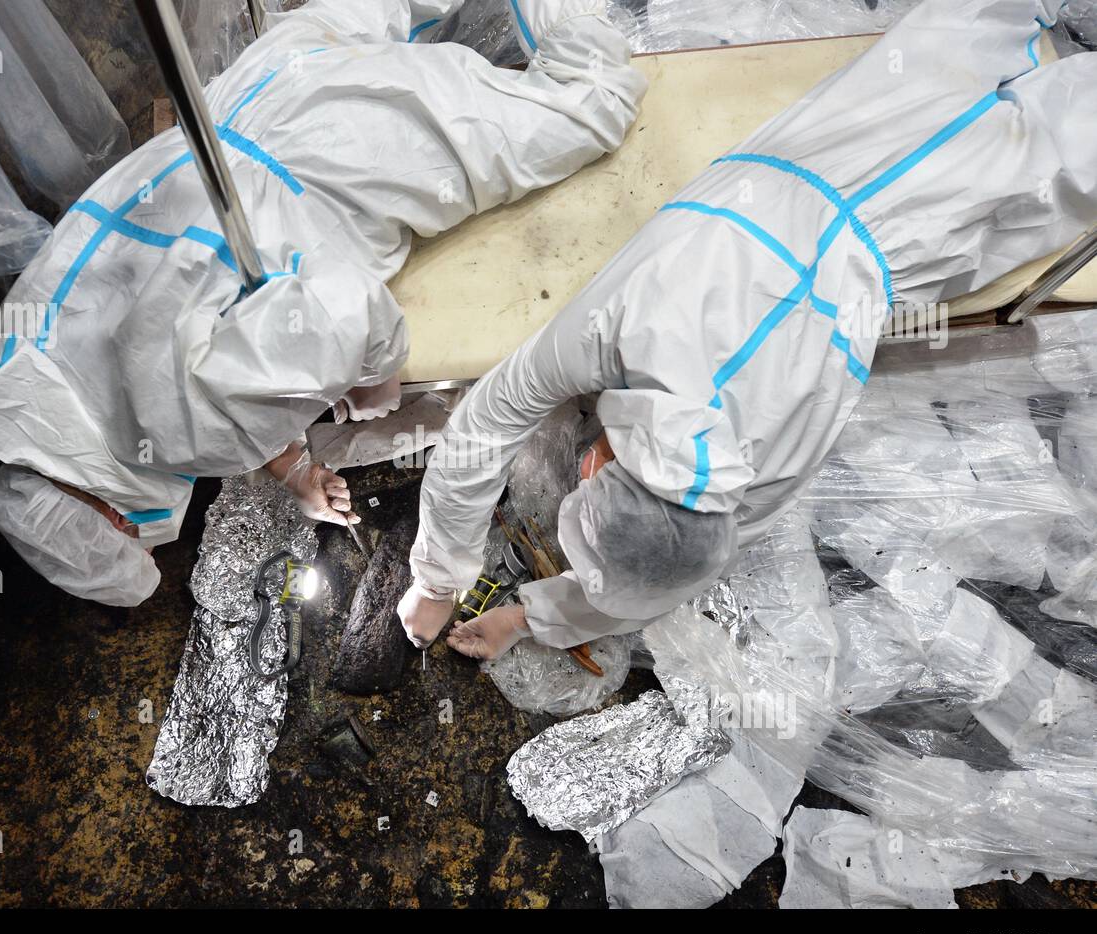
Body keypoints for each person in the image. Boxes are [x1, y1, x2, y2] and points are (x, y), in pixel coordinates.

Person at [399, 0, 1097, 655]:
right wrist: (465, 594)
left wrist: (472, 594)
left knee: (1060, 151)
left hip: (916, 240)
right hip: (828, 168)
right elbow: (487, 425)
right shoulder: (621, 327)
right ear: (596, 467)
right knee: (970, 31)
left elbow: (661, 579)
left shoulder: (762, 477)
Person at [0, 0, 645, 606]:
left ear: (119, 525)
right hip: (262, 83)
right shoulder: (30, 338)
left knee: (597, 102)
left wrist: (375, 377)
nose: (151, 538)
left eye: (141, 544)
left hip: (355, 145)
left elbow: (353, 310)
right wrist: (292, 465)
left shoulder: (182, 439)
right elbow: (188, 348)